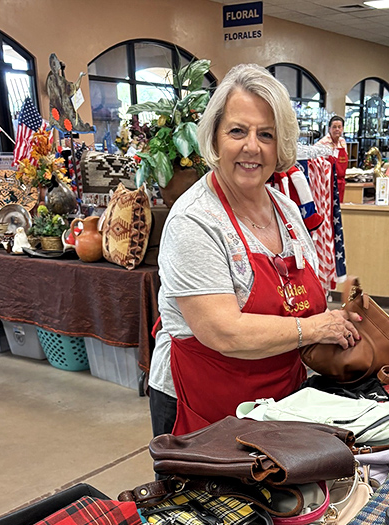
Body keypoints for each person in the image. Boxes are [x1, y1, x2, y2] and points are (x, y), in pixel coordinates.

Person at [147, 64, 361, 437]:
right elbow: (223, 332)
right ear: (214, 138)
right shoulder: (194, 221)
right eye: (237, 131)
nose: (252, 146)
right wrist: (311, 327)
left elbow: (305, 300)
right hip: (203, 406)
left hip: (281, 400)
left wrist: (334, 320)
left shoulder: (287, 209)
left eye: (266, 134)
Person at [317, 115, 348, 202]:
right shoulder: (322, 143)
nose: (337, 129)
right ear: (329, 128)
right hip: (328, 182)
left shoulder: (343, 142)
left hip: (341, 182)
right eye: (334, 127)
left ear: (342, 129)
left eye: (339, 127)